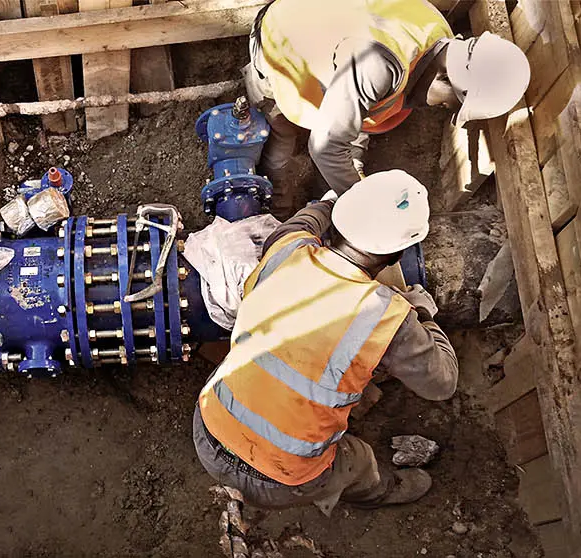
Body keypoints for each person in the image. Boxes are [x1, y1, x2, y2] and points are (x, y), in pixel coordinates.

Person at [194, 170, 458, 512]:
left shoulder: (287, 250)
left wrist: (328, 202)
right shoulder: (387, 317)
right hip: (283, 479)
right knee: (357, 459)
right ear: (398, 255)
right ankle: (379, 491)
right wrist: (423, 314)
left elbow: (299, 224)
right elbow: (443, 383)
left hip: (207, 431)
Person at [245, 0, 529, 197]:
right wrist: (361, 202)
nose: (443, 109)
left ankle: (343, 169)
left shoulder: (439, 34)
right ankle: (277, 191)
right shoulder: (378, 64)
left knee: (353, 121)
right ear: (444, 76)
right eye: (448, 103)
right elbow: (325, 147)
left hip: (324, 34)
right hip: (281, 44)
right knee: (281, 131)